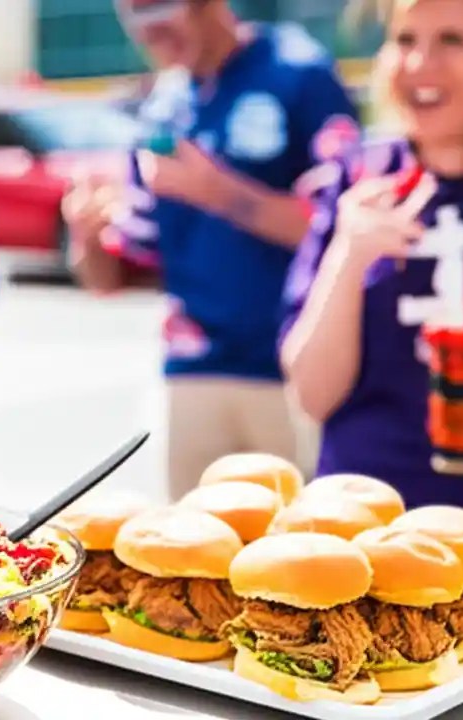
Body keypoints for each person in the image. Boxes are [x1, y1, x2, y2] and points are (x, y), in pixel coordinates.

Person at [61, 0, 359, 498]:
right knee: (185, 541)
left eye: (156, 8)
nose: (147, 30)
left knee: (301, 539)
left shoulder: (298, 73)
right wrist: (86, 235)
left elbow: (348, 228)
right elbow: (112, 279)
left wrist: (218, 192)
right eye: (132, 14)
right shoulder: (162, 106)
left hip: (289, 370)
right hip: (191, 369)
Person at [280, 0, 463, 509]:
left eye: (452, 40)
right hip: (365, 518)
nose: (419, 63)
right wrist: (349, 254)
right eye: (405, 40)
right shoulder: (359, 178)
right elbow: (312, 395)